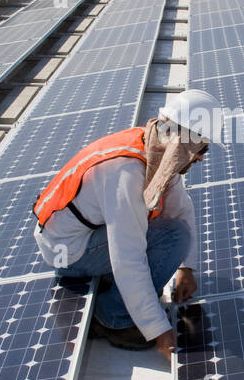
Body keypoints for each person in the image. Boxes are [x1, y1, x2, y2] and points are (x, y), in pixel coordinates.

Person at [33, 90, 221, 359]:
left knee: (176, 232)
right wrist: (156, 328)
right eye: (200, 148)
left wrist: (186, 268)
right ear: (182, 142)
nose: (201, 157)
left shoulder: (156, 148)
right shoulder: (126, 173)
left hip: (84, 234)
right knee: (173, 238)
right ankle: (113, 318)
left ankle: (126, 297)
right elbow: (127, 257)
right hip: (67, 251)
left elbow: (182, 211)